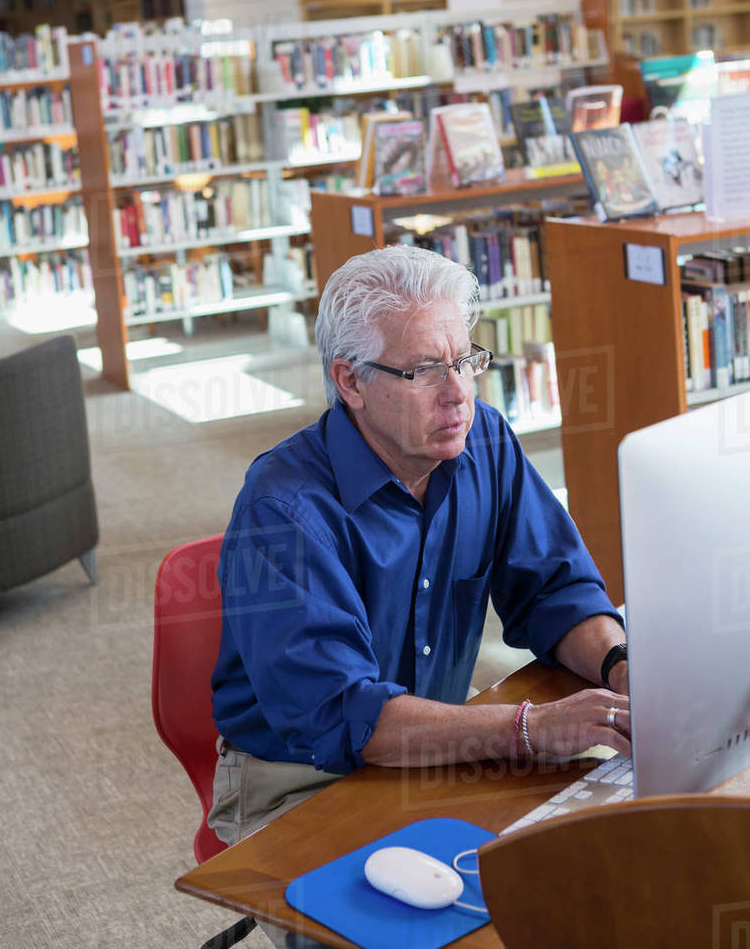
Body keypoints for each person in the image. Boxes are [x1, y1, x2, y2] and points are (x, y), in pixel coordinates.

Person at [209, 245, 630, 856]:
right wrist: (531, 728)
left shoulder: (482, 437)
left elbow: (556, 589)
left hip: (435, 742)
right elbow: (344, 716)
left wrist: (621, 666)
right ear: (349, 380)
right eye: (426, 370)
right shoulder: (282, 512)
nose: (458, 394)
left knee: (581, 866)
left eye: (465, 361)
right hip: (300, 778)